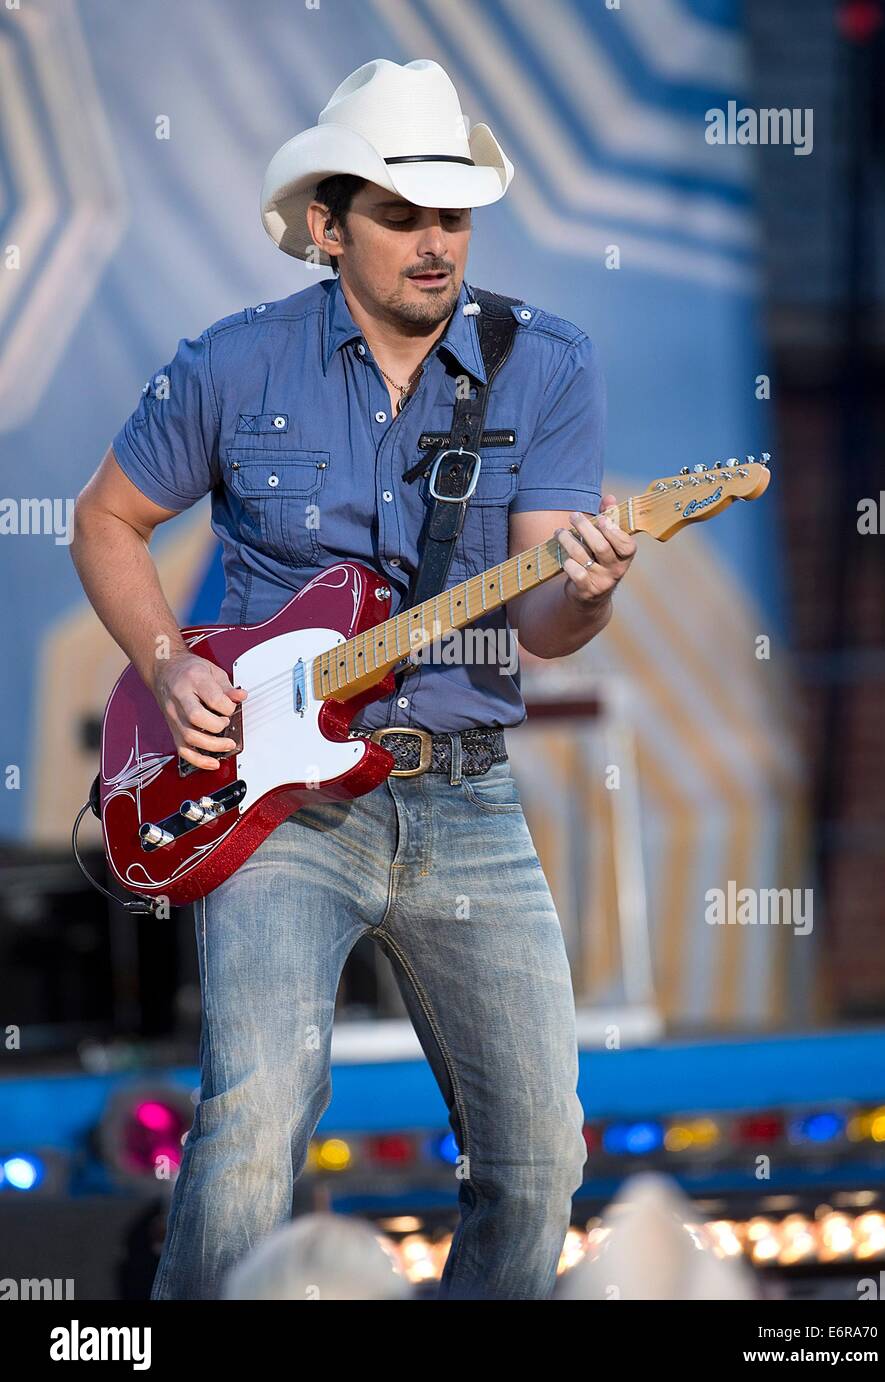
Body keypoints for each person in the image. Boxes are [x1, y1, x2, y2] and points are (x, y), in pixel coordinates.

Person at [71, 58, 636, 1300]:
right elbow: (104, 519)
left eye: (453, 214)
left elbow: (541, 621)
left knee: (540, 1157)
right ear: (328, 227)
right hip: (284, 808)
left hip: (467, 795)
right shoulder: (230, 363)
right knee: (254, 1127)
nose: (436, 243)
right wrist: (168, 665)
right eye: (400, 213)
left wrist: (587, 587)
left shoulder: (544, 363)